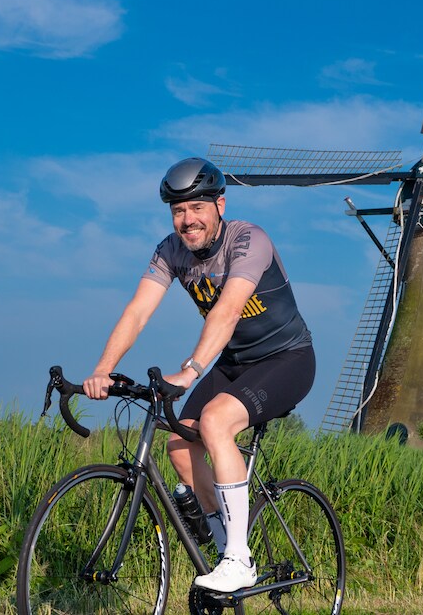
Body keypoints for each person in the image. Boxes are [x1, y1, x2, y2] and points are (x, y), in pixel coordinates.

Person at [82, 157, 316, 593]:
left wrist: (190, 371)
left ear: (219, 205)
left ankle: (239, 561)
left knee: (214, 422)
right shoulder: (171, 250)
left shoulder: (249, 241)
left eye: (196, 208)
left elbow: (227, 311)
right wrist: (103, 369)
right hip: (235, 363)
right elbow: (137, 311)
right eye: (177, 211)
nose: (187, 220)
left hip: (288, 359)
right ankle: (228, 545)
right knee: (178, 441)